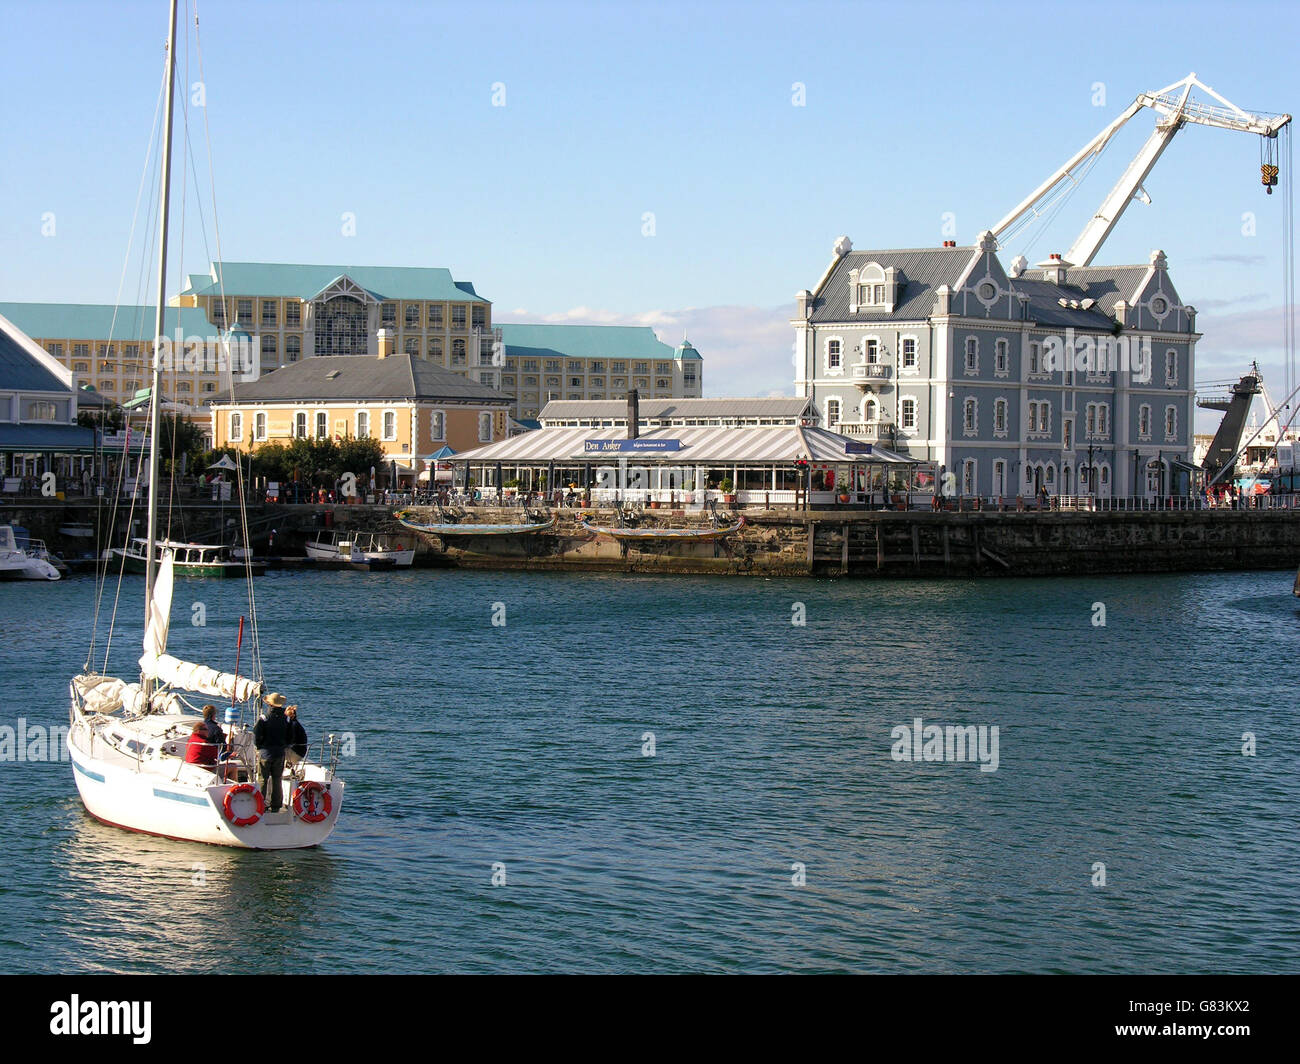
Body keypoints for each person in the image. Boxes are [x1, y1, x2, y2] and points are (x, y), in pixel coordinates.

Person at [254, 692, 290, 812]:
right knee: (277, 779)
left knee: (263, 779)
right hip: (279, 753)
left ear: (269, 704)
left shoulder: (264, 718)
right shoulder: (286, 719)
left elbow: (256, 735)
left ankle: (261, 804)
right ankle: (276, 805)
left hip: (265, 752)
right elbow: (291, 736)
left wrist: (259, 747)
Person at [285, 704, 308, 771]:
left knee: (275, 751)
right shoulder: (295, 723)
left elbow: (291, 740)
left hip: (297, 753)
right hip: (301, 751)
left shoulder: (293, 725)